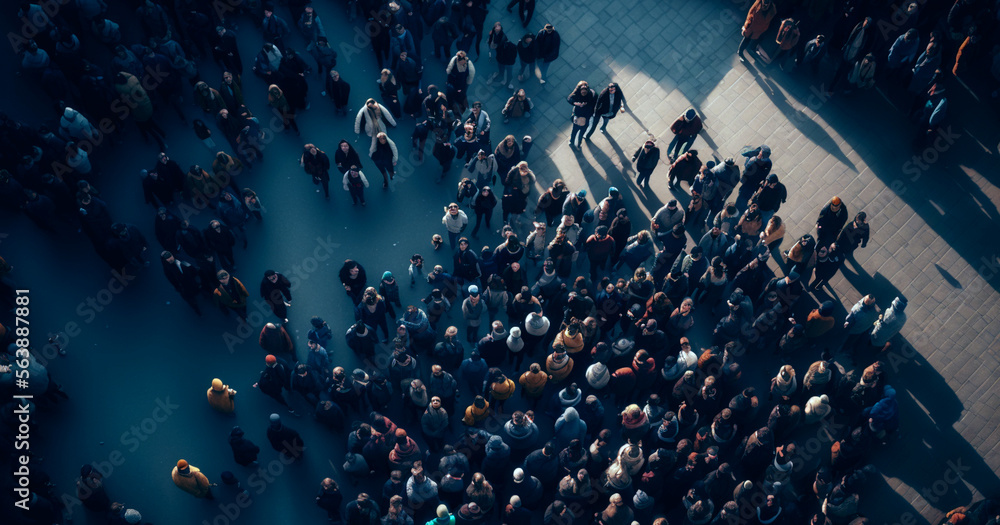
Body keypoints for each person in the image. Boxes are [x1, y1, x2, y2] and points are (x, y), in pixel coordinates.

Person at [566, 81, 596, 147]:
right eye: (582, 91)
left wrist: (586, 105)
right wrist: (576, 103)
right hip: (578, 115)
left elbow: (593, 104)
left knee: (582, 132)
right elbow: (569, 98)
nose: (583, 93)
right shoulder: (577, 94)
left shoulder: (591, 94)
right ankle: (572, 141)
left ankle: (579, 143)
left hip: (586, 117)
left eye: (584, 91)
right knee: (574, 131)